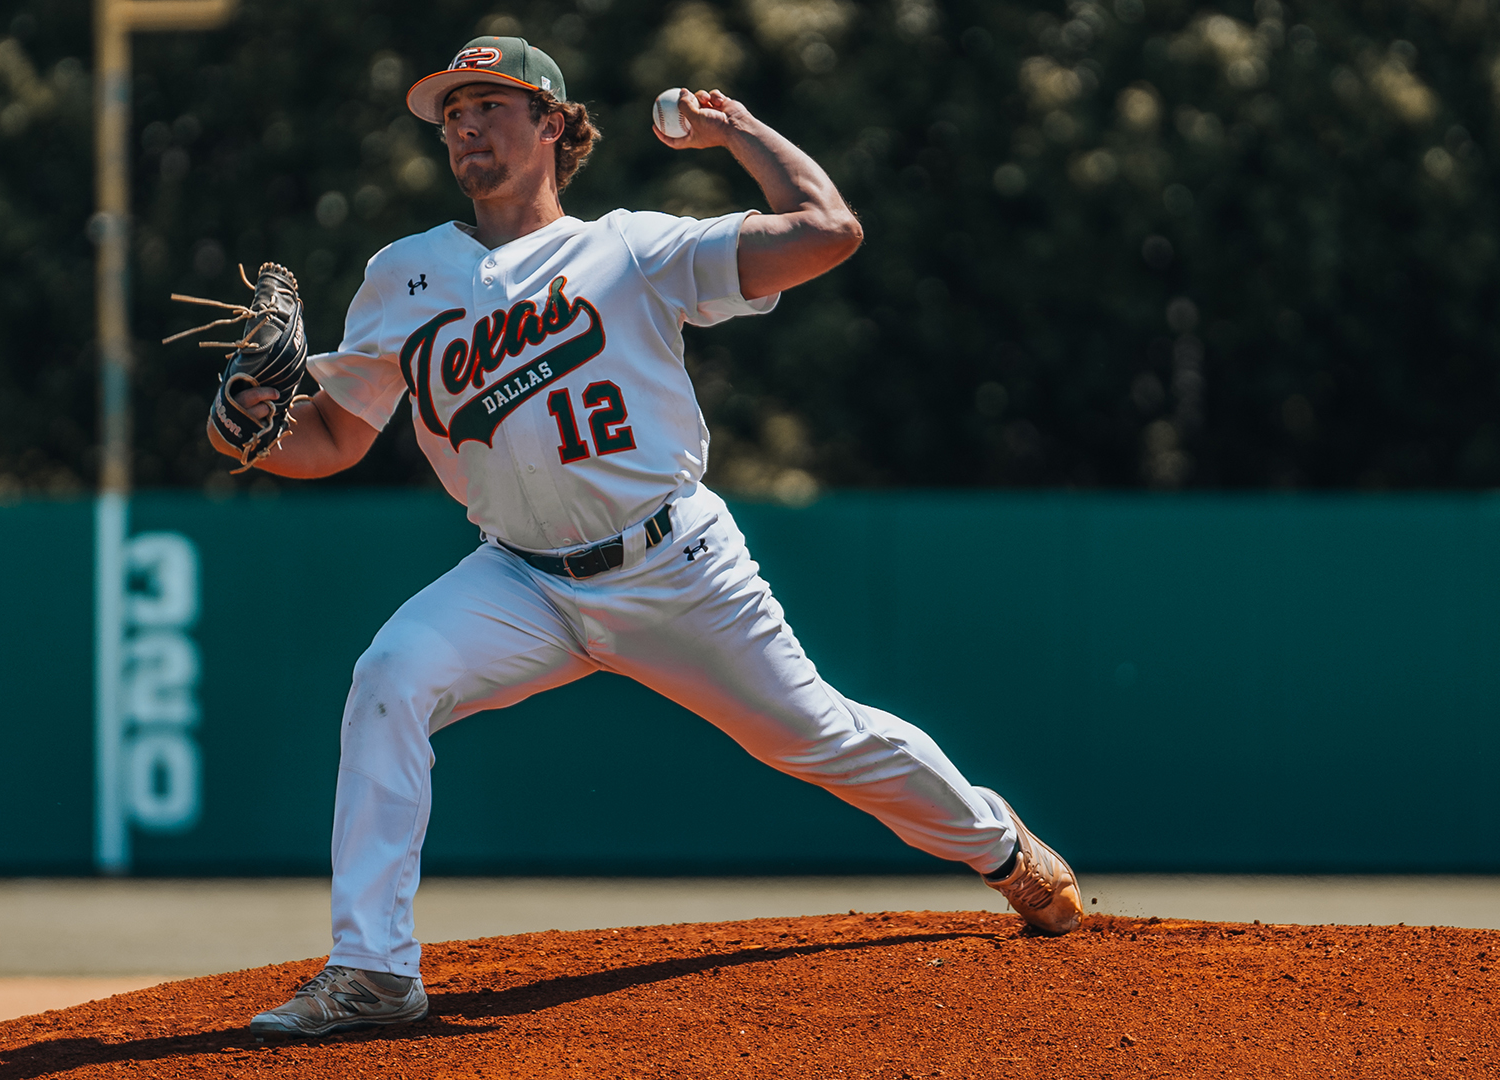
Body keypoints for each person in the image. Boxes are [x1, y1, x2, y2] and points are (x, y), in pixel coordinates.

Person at [214, 37, 1083, 1038]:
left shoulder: (630, 250)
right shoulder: (402, 276)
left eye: (489, 103)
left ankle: (999, 846)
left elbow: (829, 231)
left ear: (551, 123)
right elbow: (327, 436)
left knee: (819, 738)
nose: (463, 125)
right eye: (450, 112)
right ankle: (373, 971)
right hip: (521, 580)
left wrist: (740, 130)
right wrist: (246, 433)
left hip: (675, 565)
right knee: (389, 677)